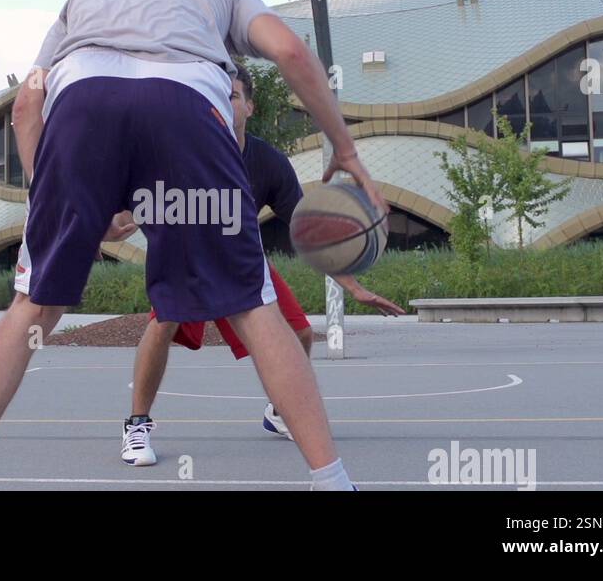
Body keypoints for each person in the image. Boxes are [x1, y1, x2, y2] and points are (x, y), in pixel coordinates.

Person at [0, 0, 388, 492]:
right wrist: (344, 146)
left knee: (34, 305)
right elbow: (289, 50)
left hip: (81, 103)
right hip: (185, 108)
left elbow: (28, 104)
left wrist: (57, 197)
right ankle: (333, 482)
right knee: (253, 307)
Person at [120, 63, 404, 466]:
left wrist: (354, 286)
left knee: (300, 333)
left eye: (233, 96)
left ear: (249, 107)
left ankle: (277, 412)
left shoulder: (267, 163)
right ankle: (137, 425)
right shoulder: (185, 153)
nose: (225, 103)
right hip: (189, 256)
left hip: (241, 259)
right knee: (162, 323)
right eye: (217, 97)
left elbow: (305, 231)